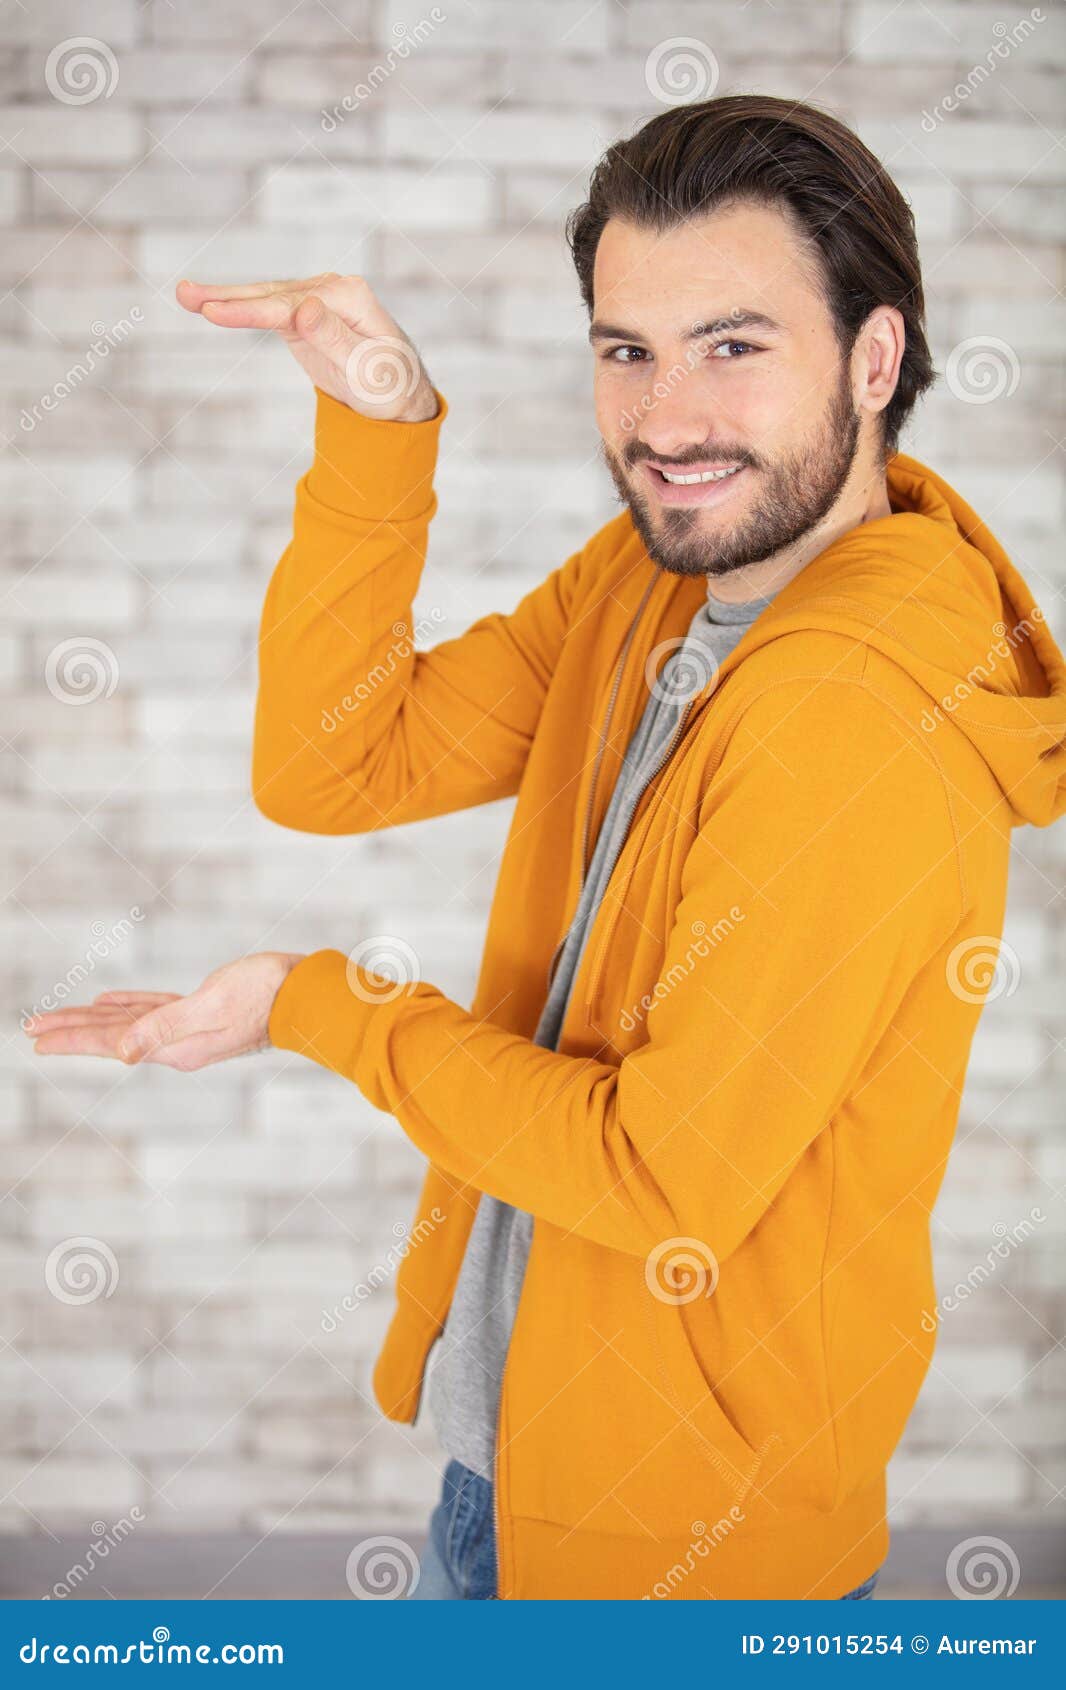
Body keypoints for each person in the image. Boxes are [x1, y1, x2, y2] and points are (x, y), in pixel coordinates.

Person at [25, 95, 1066, 1601]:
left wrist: (316, 1006)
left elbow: (656, 1173)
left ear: (873, 357)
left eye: (732, 345)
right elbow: (336, 763)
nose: (666, 420)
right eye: (626, 350)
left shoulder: (852, 713)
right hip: (521, 1457)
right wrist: (378, 430)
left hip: (680, 1562)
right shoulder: (659, 579)